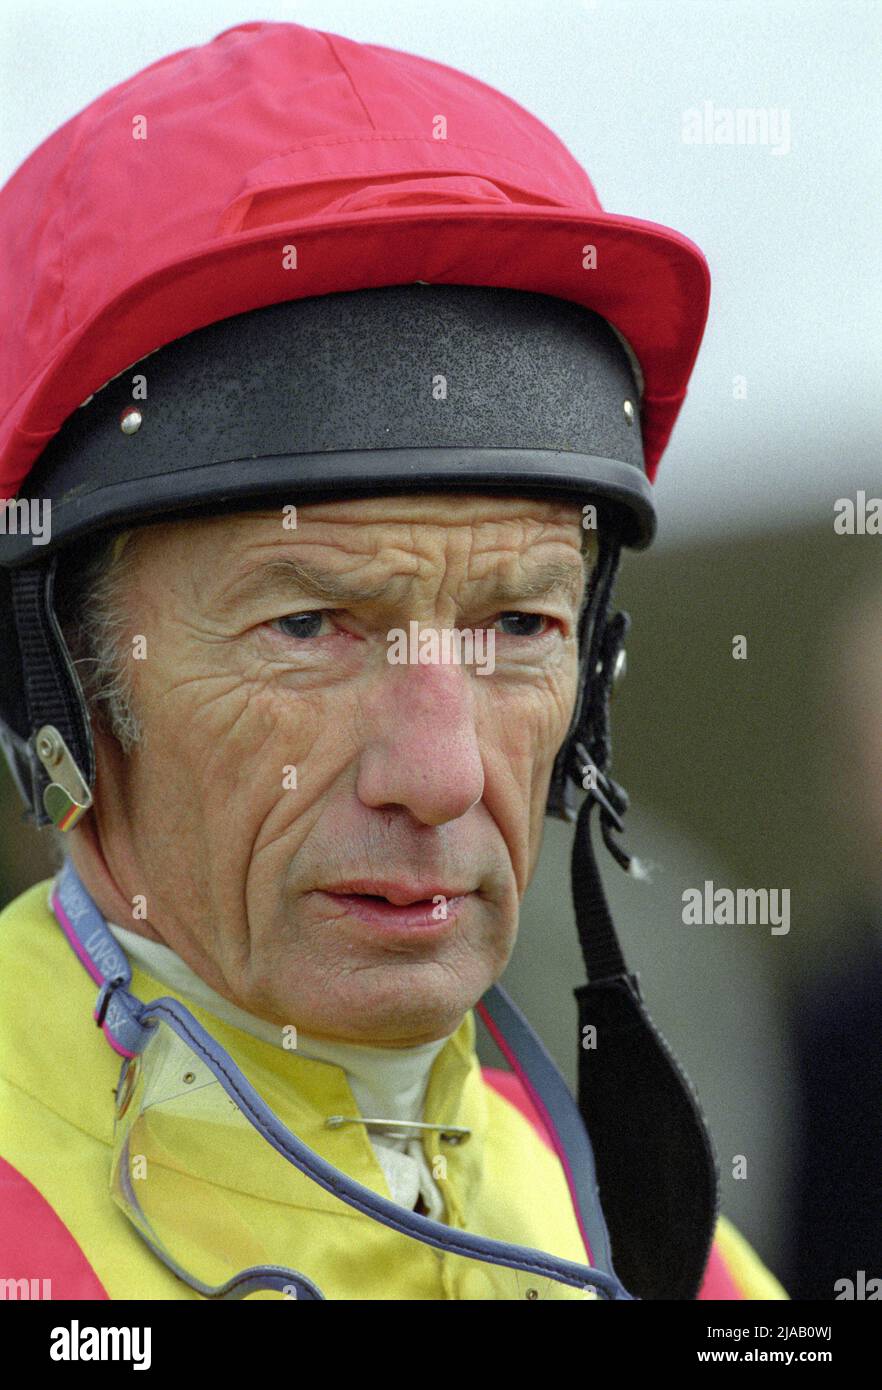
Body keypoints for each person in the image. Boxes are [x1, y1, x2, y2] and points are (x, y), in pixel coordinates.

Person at [0, 20, 786, 1301]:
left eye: (519, 625)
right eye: (308, 627)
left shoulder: (653, 1240)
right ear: (58, 683)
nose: (437, 773)